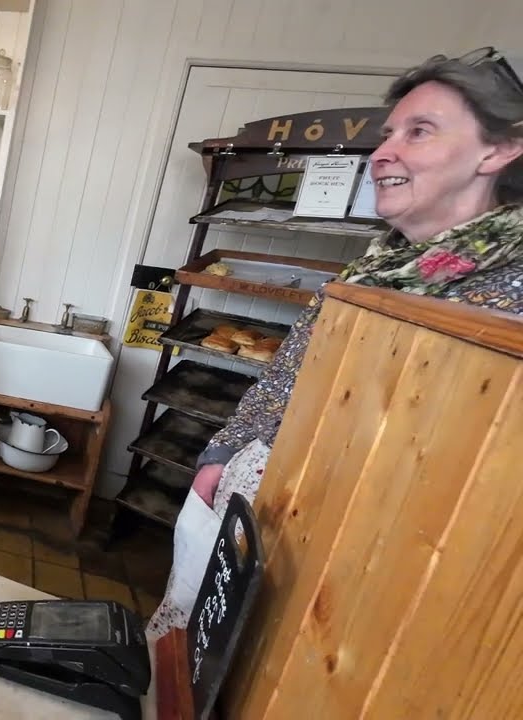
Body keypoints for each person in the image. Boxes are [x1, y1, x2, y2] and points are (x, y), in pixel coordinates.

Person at [146, 48, 523, 639]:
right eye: (388, 133)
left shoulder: (507, 293)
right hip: (255, 515)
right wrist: (226, 451)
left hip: (369, 577)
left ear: (499, 150)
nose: (384, 153)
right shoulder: (370, 272)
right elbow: (284, 379)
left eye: (419, 132)